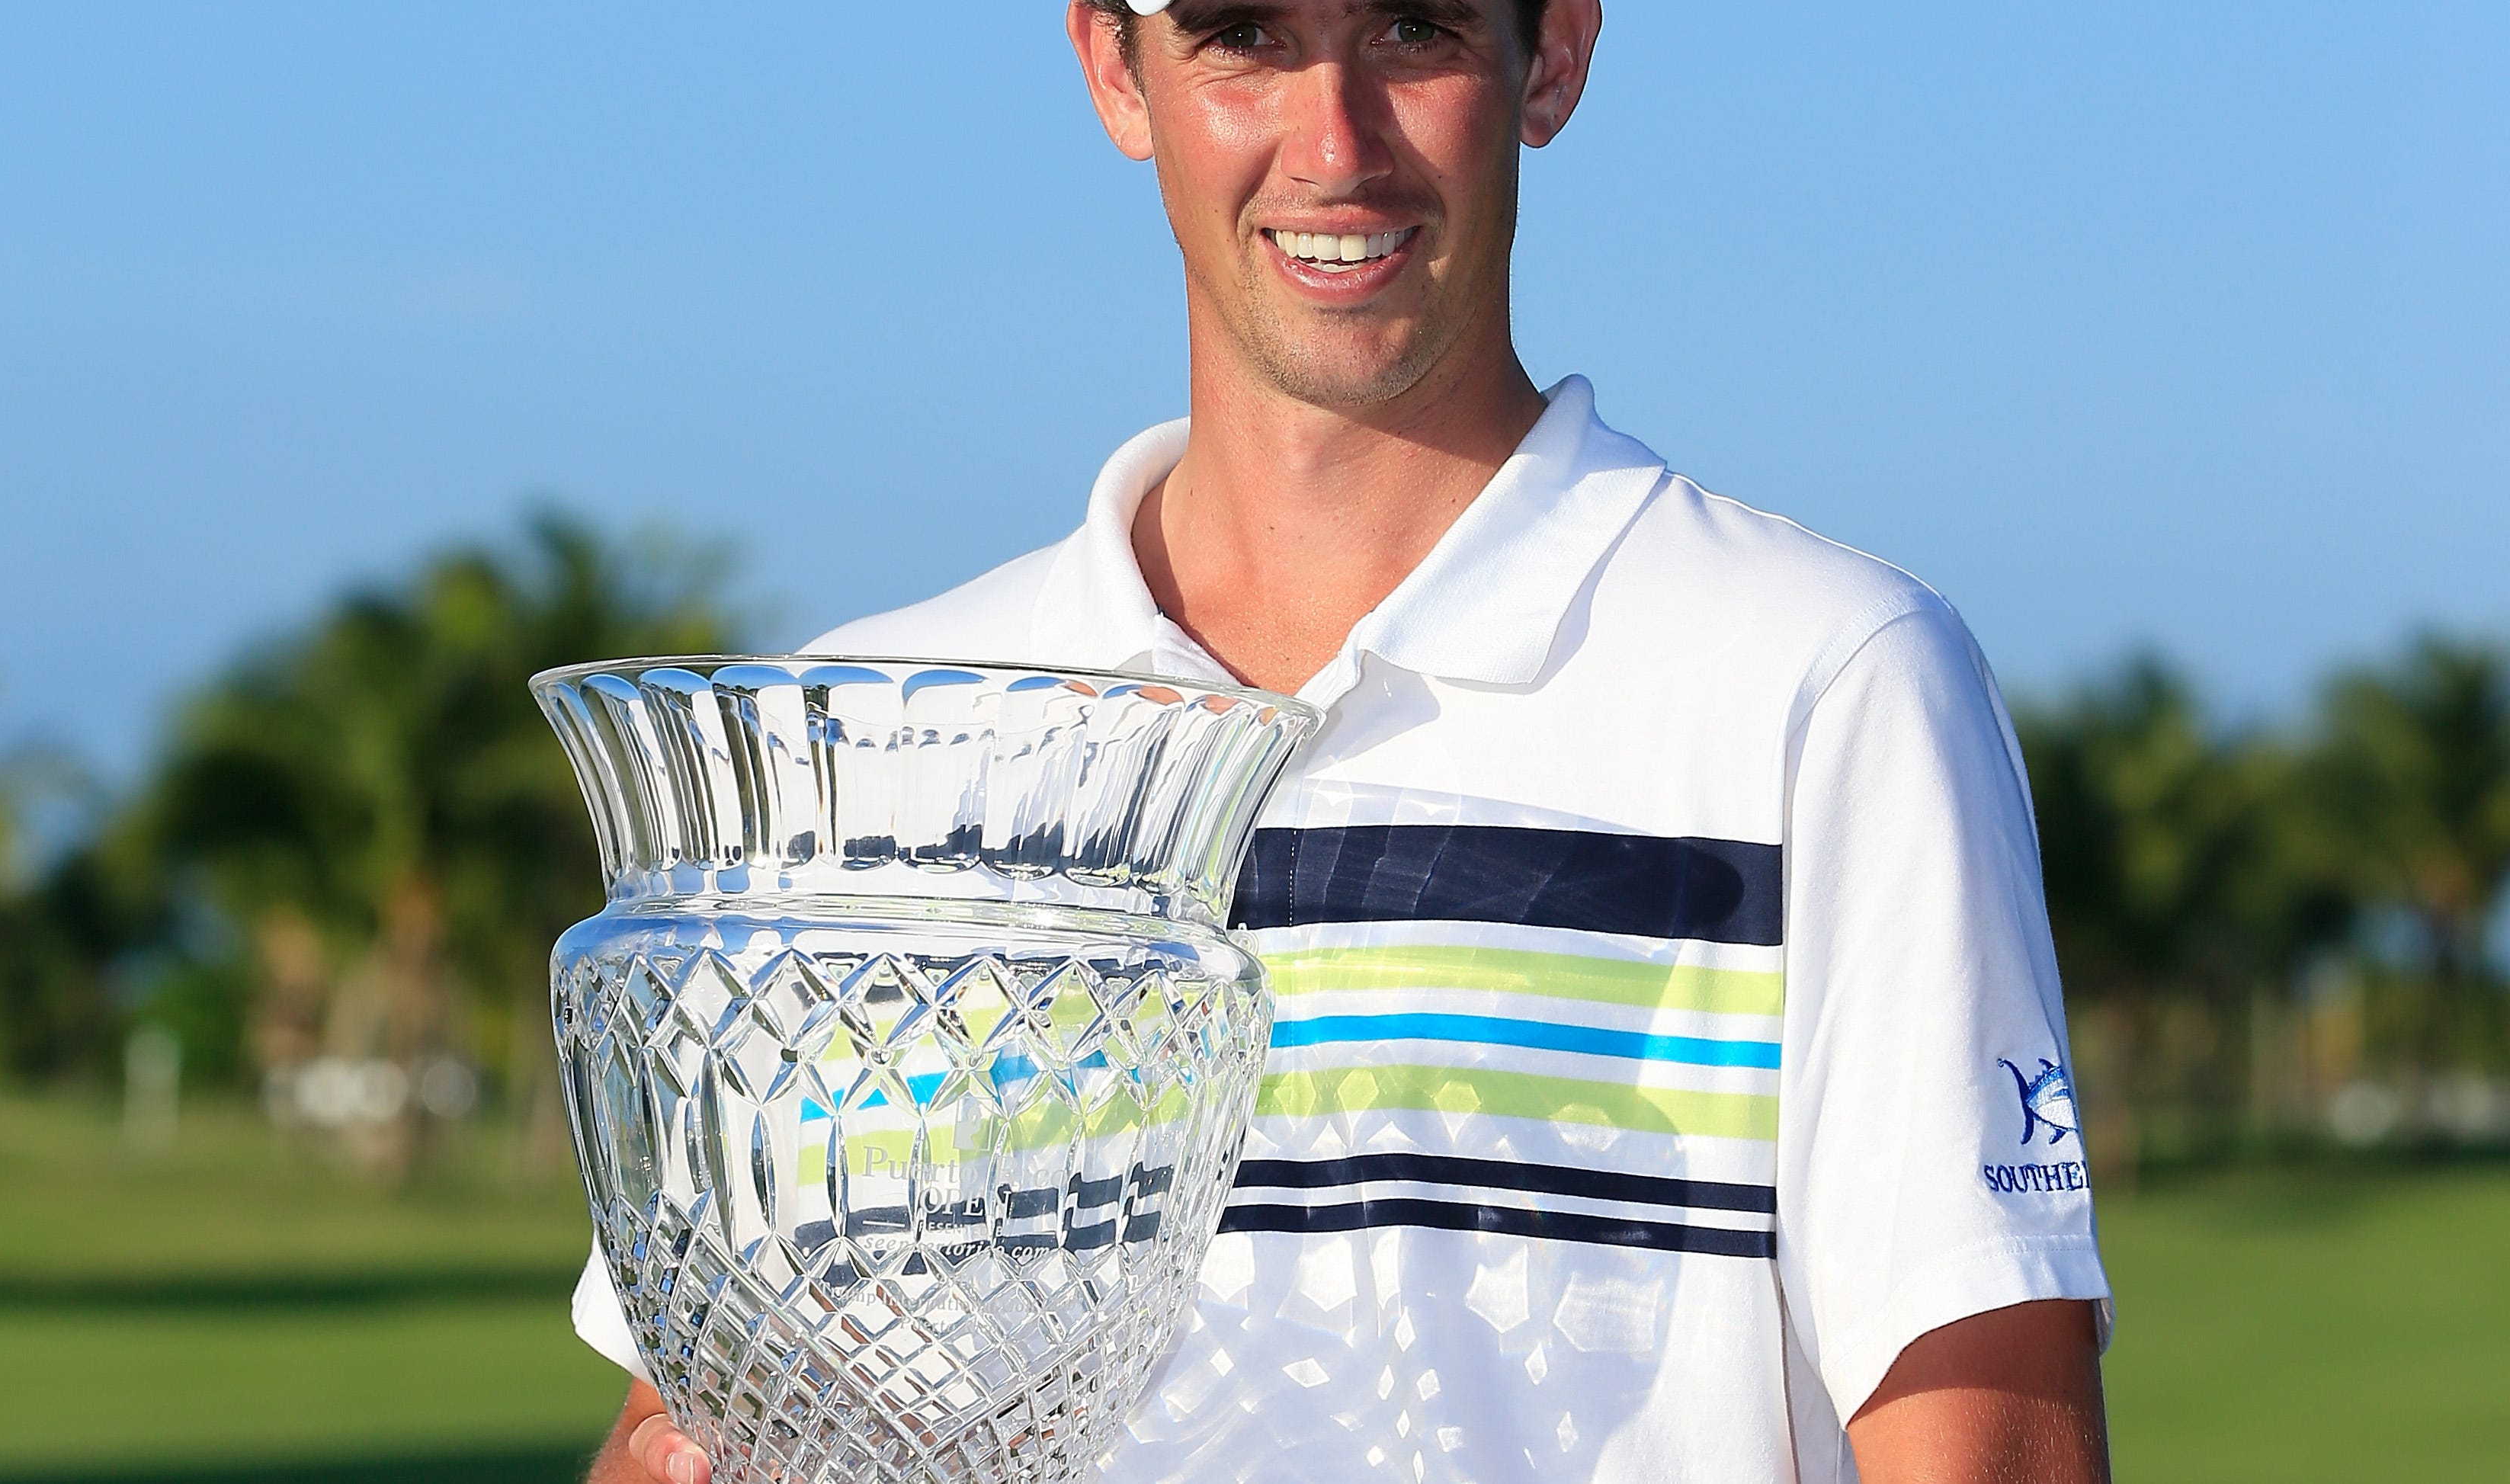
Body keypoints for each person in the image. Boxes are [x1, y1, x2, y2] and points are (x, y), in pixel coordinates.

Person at [585, 2, 2113, 1479]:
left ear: (1554, 52)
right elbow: (702, 1414)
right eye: (1244, 31)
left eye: (1417, 28)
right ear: (1115, 67)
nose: (1334, 140)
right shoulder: (853, 743)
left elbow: (1994, 1446)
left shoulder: (1829, 684)